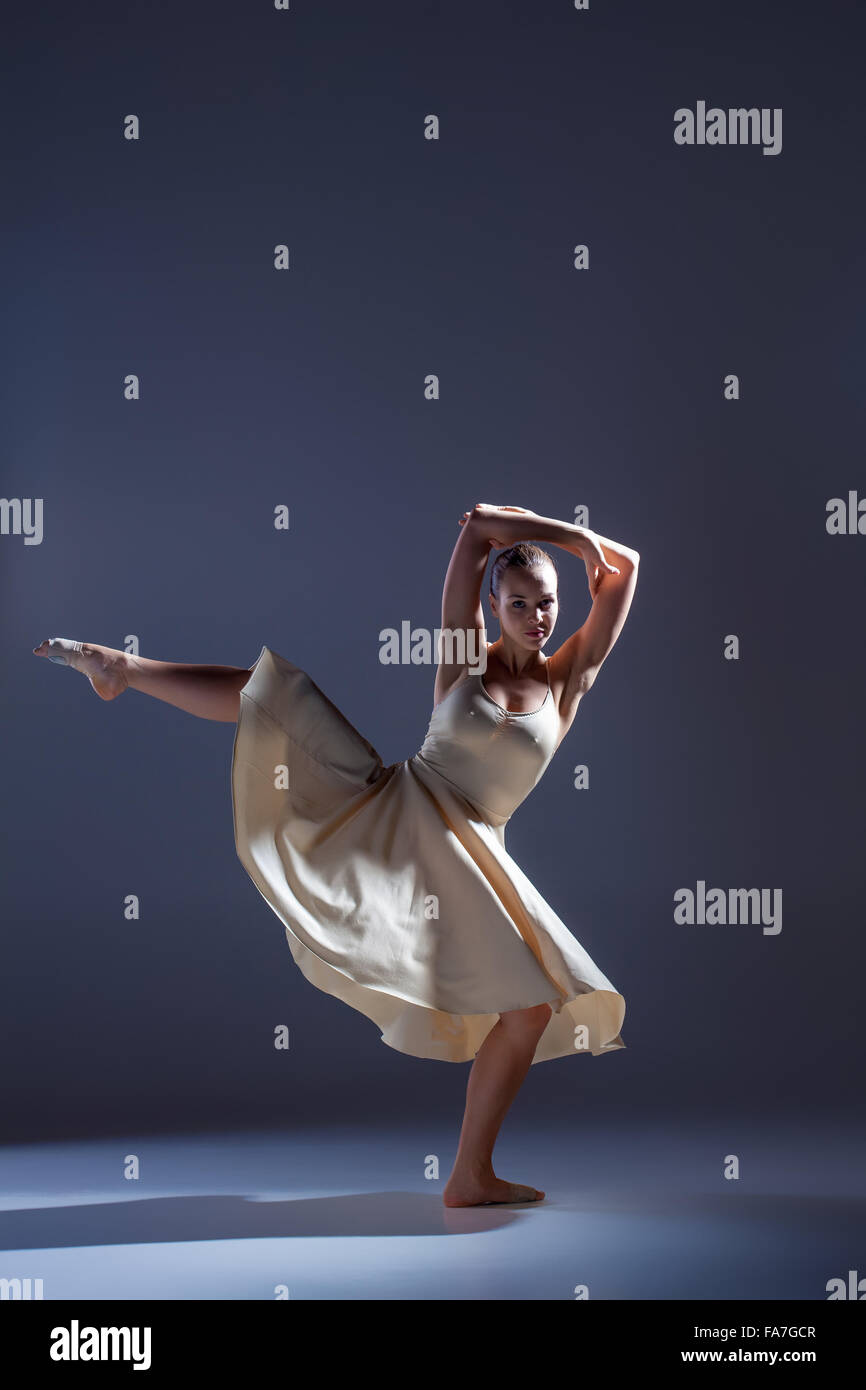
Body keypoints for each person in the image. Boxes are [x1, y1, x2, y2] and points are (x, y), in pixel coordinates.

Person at [33, 501, 640, 1207]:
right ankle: (123, 667)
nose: (537, 617)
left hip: (471, 849)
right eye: (519, 603)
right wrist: (547, 534)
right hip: (397, 810)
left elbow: (629, 568)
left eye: (547, 604)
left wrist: (579, 542)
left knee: (530, 1010)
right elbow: (478, 528)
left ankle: (470, 1176)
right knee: (283, 697)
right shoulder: (461, 655)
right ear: (492, 606)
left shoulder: (567, 680)